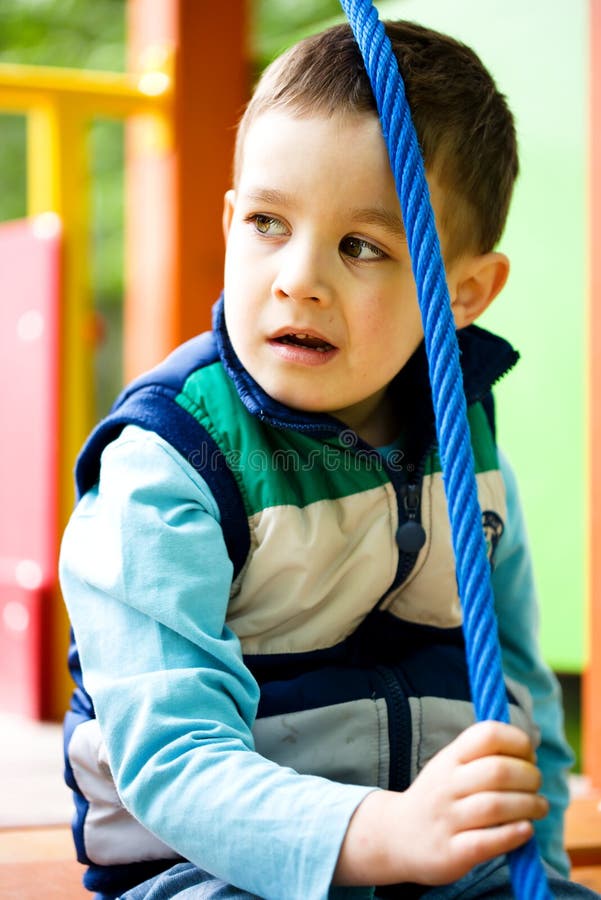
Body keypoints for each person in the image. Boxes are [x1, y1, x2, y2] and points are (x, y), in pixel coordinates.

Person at [59, 19, 597, 900]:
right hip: (208, 875)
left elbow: (513, 682)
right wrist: (385, 833)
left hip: (442, 874)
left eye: (361, 247)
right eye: (269, 222)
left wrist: (529, 862)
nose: (297, 279)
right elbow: (172, 759)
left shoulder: (458, 432)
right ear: (231, 222)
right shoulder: (168, 464)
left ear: (461, 292)